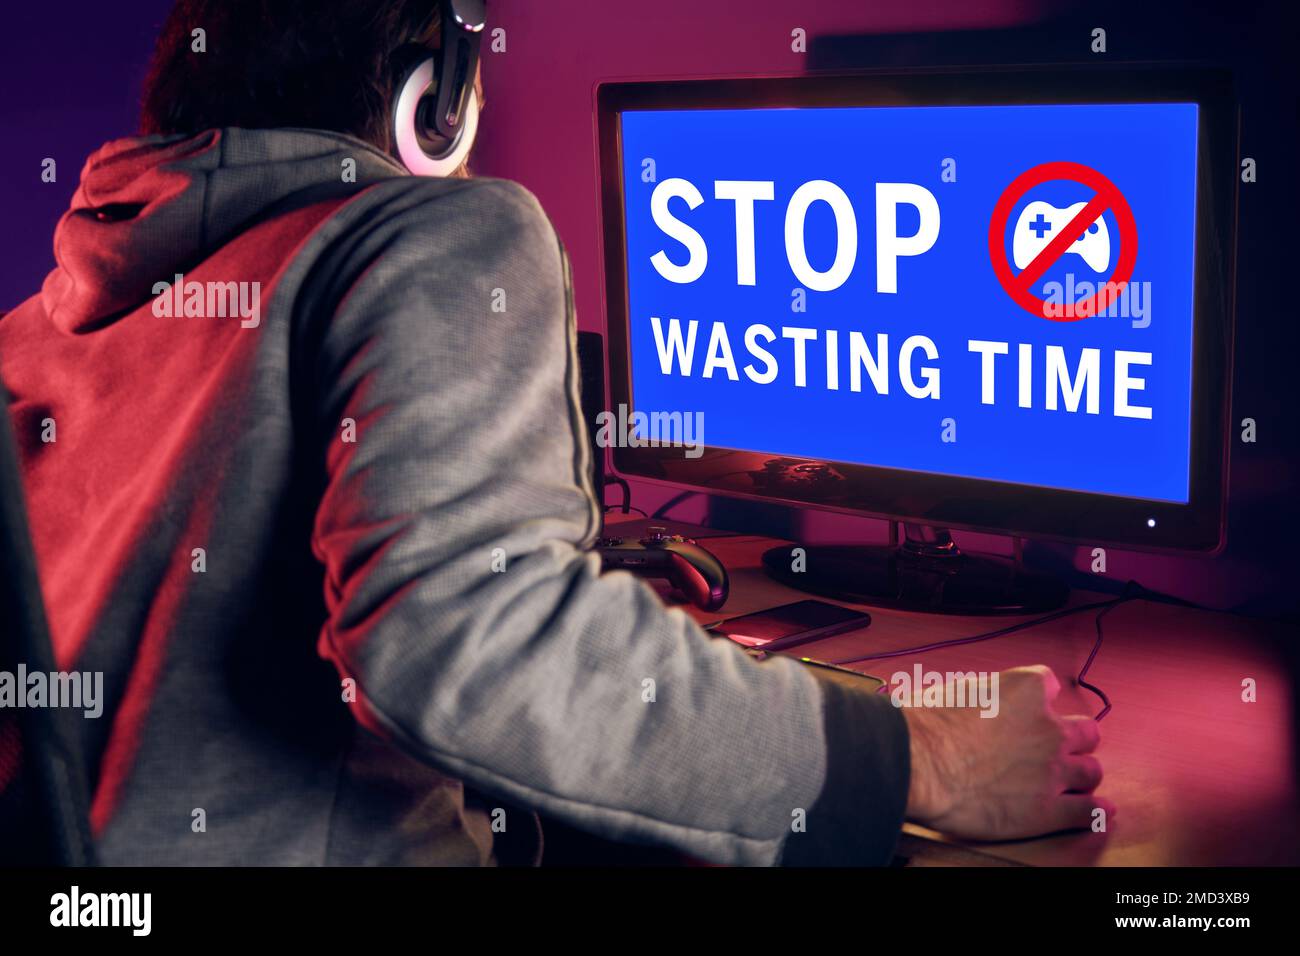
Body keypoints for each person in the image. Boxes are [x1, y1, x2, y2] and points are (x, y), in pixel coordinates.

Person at [0, 0, 1109, 866]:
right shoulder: (433, 229)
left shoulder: (31, 334)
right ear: (429, 102)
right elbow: (469, 641)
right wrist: (920, 754)